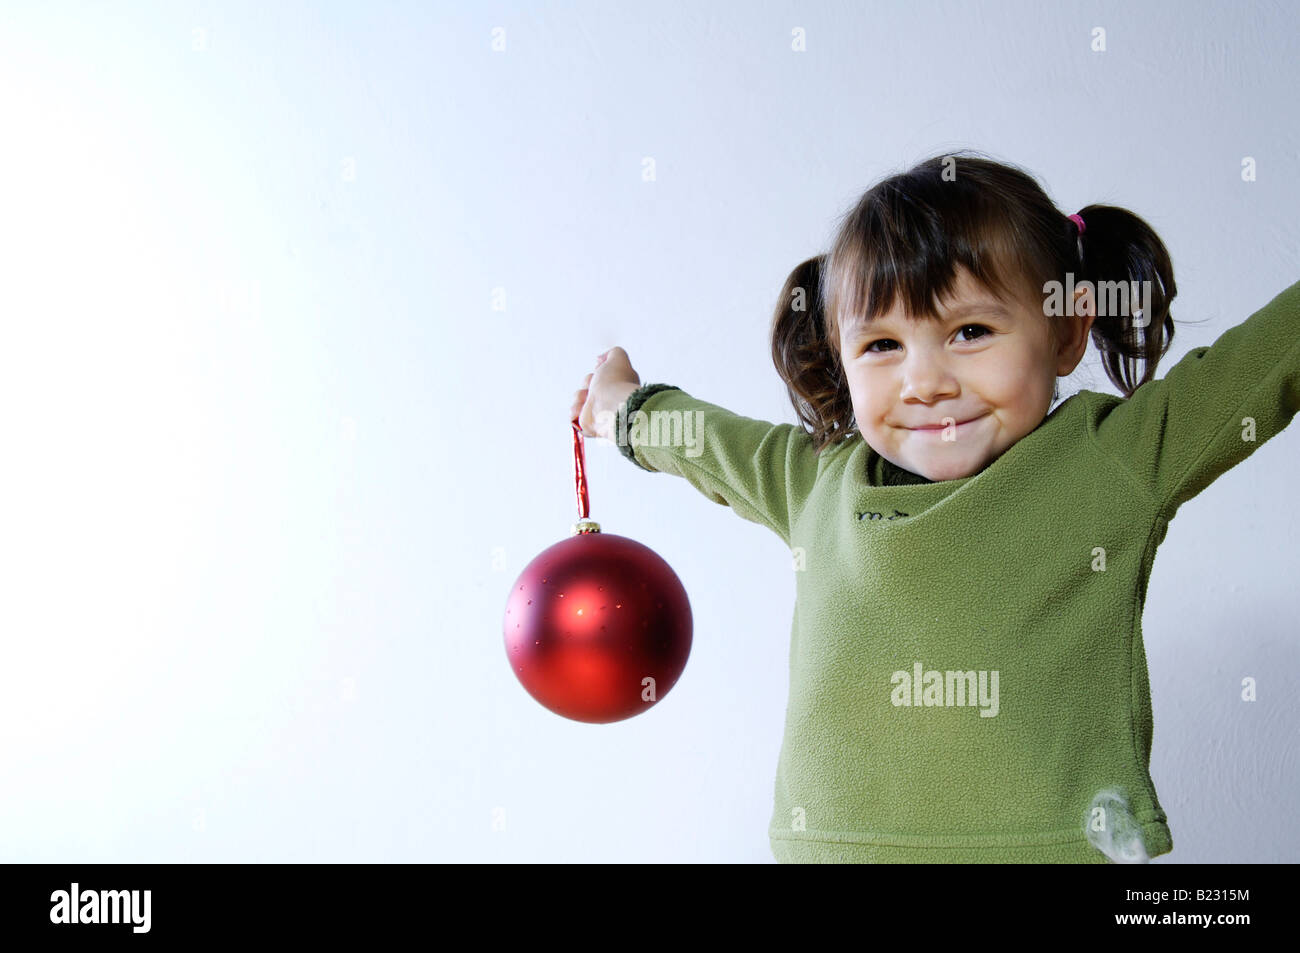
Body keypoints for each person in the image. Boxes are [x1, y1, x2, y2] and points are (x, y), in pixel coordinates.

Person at [569, 150, 1300, 863]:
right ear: (839, 354)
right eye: (883, 344)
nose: (925, 381)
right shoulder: (819, 482)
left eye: (971, 332)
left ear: (1069, 329)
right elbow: (707, 440)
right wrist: (623, 407)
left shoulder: (1115, 458)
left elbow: (1262, 362)